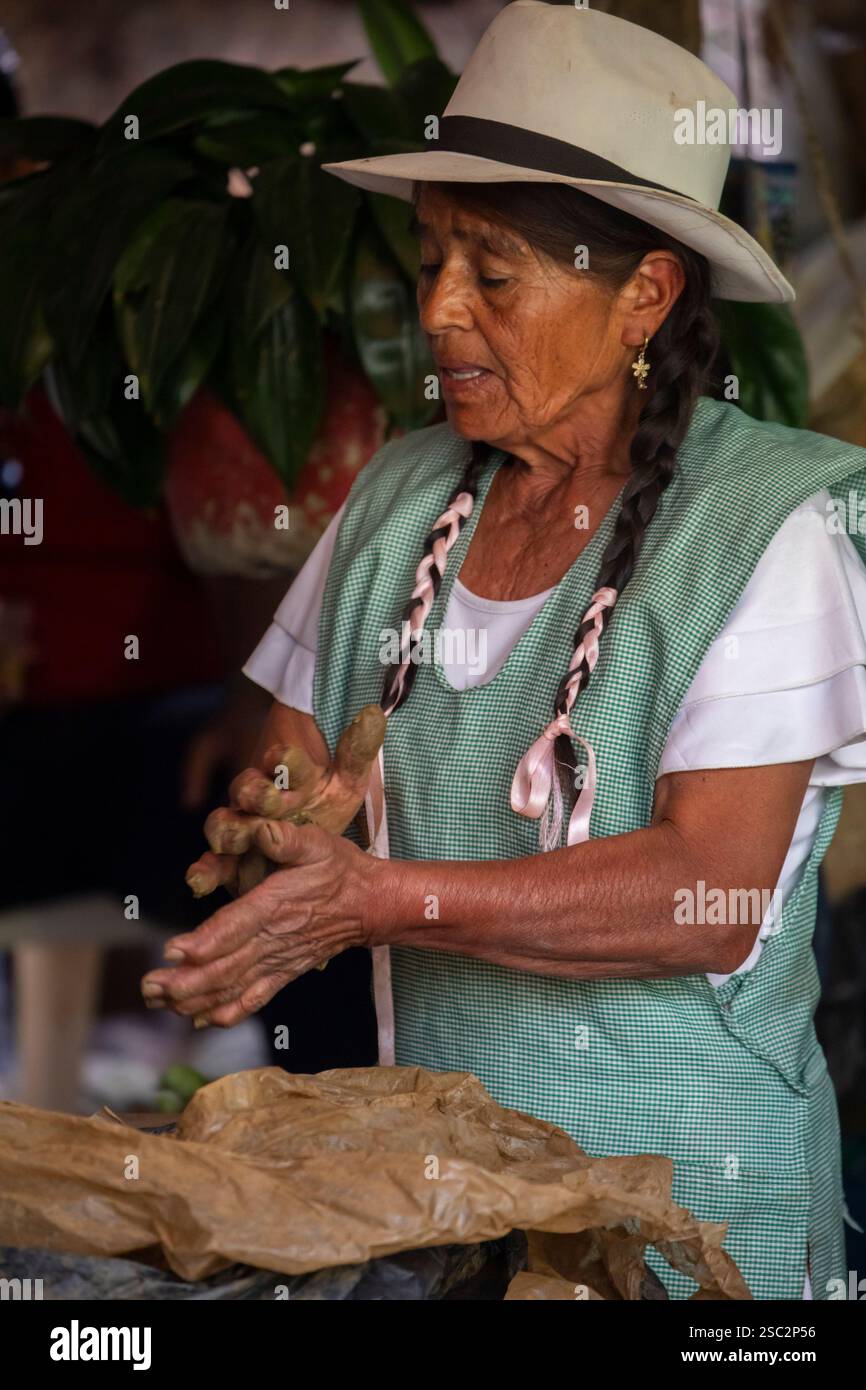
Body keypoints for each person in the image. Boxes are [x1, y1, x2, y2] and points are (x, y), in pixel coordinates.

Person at [142, 4, 866, 1299]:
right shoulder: (399, 492)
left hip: (697, 1225)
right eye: (428, 260)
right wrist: (291, 820)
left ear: (643, 291)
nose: (435, 311)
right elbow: (297, 749)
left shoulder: (766, 524)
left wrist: (376, 896)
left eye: (490, 271)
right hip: (443, 1217)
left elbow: (706, 894)